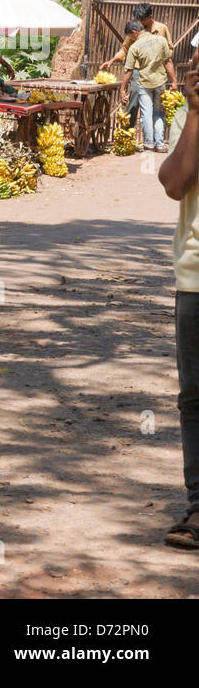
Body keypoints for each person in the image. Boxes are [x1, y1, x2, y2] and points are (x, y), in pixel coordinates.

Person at [156, 68, 199, 548]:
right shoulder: (190, 118)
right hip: (196, 276)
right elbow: (173, 183)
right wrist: (194, 113)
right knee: (195, 399)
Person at [121, 19, 178, 153]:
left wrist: (122, 88)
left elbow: (129, 70)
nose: (130, 39)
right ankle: (159, 144)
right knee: (158, 113)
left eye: (130, 36)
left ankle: (149, 143)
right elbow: (168, 62)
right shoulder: (161, 41)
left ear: (134, 33)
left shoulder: (135, 47)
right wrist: (174, 81)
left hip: (144, 83)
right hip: (160, 82)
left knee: (147, 113)